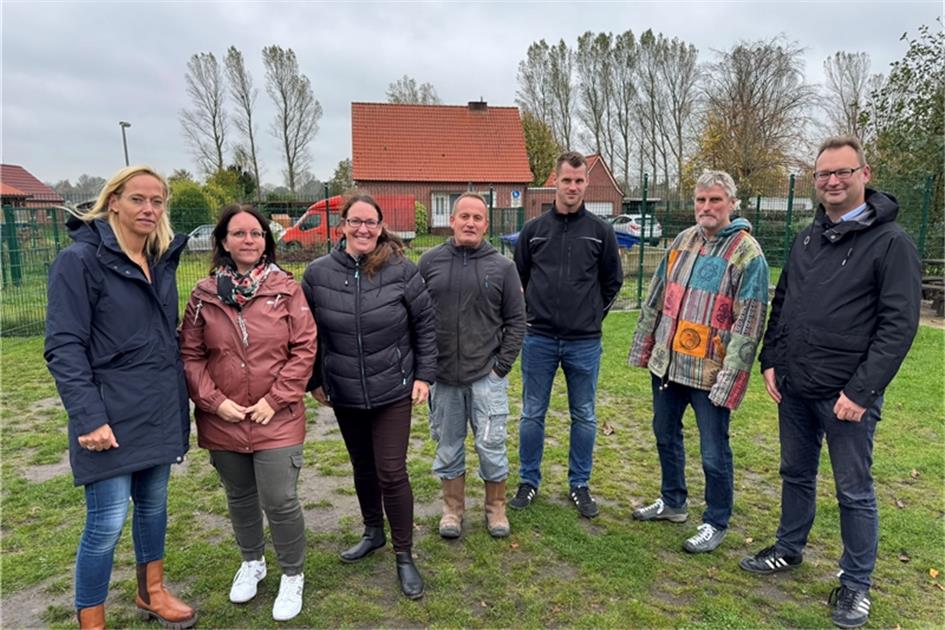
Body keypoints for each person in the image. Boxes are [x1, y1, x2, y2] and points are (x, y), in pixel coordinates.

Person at [740, 136, 921, 629]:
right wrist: (772, 360)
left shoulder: (891, 243)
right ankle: (788, 547)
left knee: (853, 491)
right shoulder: (806, 238)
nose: (833, 182)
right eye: (824, 175)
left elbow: (898, 326)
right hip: (796, 386)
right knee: (795, 474)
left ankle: (856, 584)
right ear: (815, 182)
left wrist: (861, 392)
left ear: (865, 173)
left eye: (843, 172)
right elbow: (783, 304)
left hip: (847, 397)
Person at [44, 166, 196, 630]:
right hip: (108, 415)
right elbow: (64, 347)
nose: (149, 209)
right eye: (138, 199)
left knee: (153, 509)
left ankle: (152, 592)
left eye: (157, 201)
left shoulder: (159, 260)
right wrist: (88, 418)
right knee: (106, 522)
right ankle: (92, 621)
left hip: (157, 409)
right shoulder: (80, 262)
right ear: (113, 201)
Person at [179, 204, 317, 621]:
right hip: (224, 419)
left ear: (266, 241)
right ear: (223, 241)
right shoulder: (203, 295)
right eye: (239, 234)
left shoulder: (287, 289)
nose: (249, 240)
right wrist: (214, 402)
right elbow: (190, 354)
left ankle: (292, 573)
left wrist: (273, 400)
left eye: (256, 234)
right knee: (240, 496)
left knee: (279, 498)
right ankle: (252, 562)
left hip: (277, 417)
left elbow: (304, 348)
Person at [301, 193, 436, 600]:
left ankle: (404, 553)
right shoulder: (317, 274)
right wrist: (314, 379)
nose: (363, 229)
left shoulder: (401, 270)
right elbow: (308, 335)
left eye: (371, 223)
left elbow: (426, 324)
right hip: (343, 389)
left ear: (380, 227)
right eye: (355, 221)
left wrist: (424, 375)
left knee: (391, 471)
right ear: (342, 225)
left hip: (392, 387)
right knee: (363, 466)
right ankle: (372, 531)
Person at [628, 171, 769, 553]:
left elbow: (750, 322)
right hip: (669, 364)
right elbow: (656, 297)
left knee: (713, 451)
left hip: (710, 373)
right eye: (701, 201)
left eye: (715, 201)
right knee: (664, 435)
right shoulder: (682, 241)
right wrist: (645, 346)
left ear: (732, 203)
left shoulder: (747, 253)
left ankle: (715, 520)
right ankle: (673, 501)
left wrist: (731, 378)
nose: (706, 208)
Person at [510, 151, 624, 518]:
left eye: (579, 180)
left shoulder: (600, 232)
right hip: (539, 338)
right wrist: (533, 314)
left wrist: (590, 315)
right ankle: (528, 482)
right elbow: (519, 279)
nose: (572, 186)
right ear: (554, 182)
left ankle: (579, 484)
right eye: (566, 180)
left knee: (585, 415)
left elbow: (612, 282)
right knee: (532, 414)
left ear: (585, 184)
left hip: (584, 342)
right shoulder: (533, 231)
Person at [418, 192, 526, 539]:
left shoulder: (503, 268)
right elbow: (416, 318)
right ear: (452, 221)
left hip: (486, 378)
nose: (470, 223)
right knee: (448, 446)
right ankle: (452, 510)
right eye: (463, 216)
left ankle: (496, 510)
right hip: (444, 378)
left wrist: (500, 370)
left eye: (477, 218)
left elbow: (517, 322)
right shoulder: (429, 262)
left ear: (486, 223)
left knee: (491, 445)